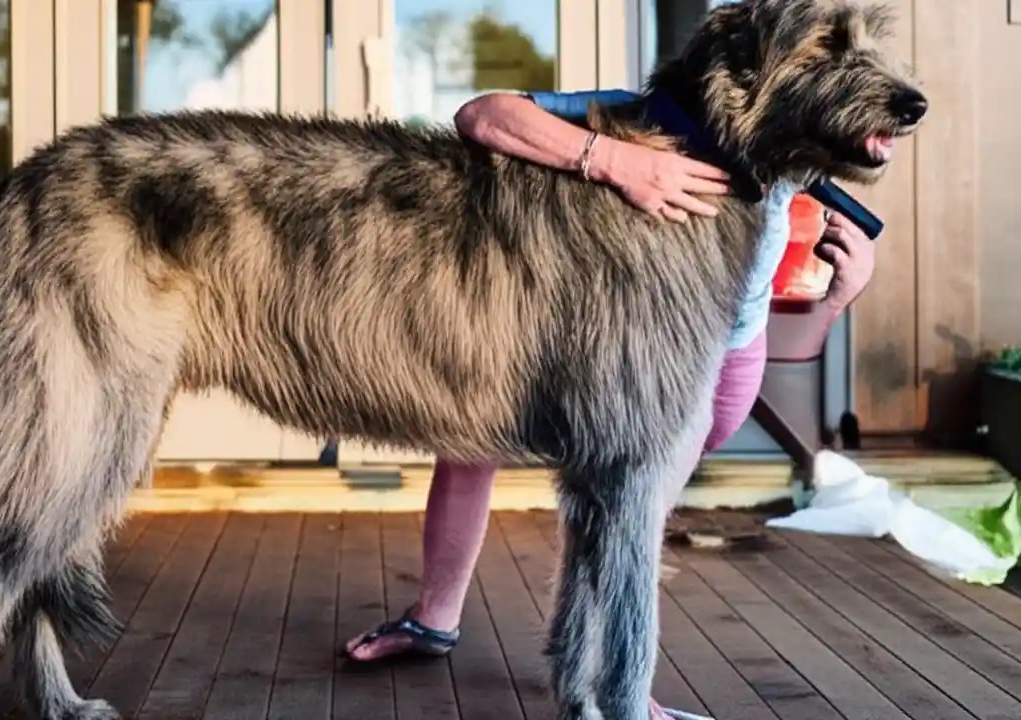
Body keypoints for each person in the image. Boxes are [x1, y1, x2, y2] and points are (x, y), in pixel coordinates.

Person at [341, 89, 877, 719]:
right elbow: (481, 116)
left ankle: (617, 693)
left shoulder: (804, 171)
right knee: (471, 444)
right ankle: (441, 621)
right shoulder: (655, 113)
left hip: (715, 359)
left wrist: (841, 295)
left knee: (623, 512)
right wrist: (617, 161)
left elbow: (799, 342)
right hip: (596, 337)